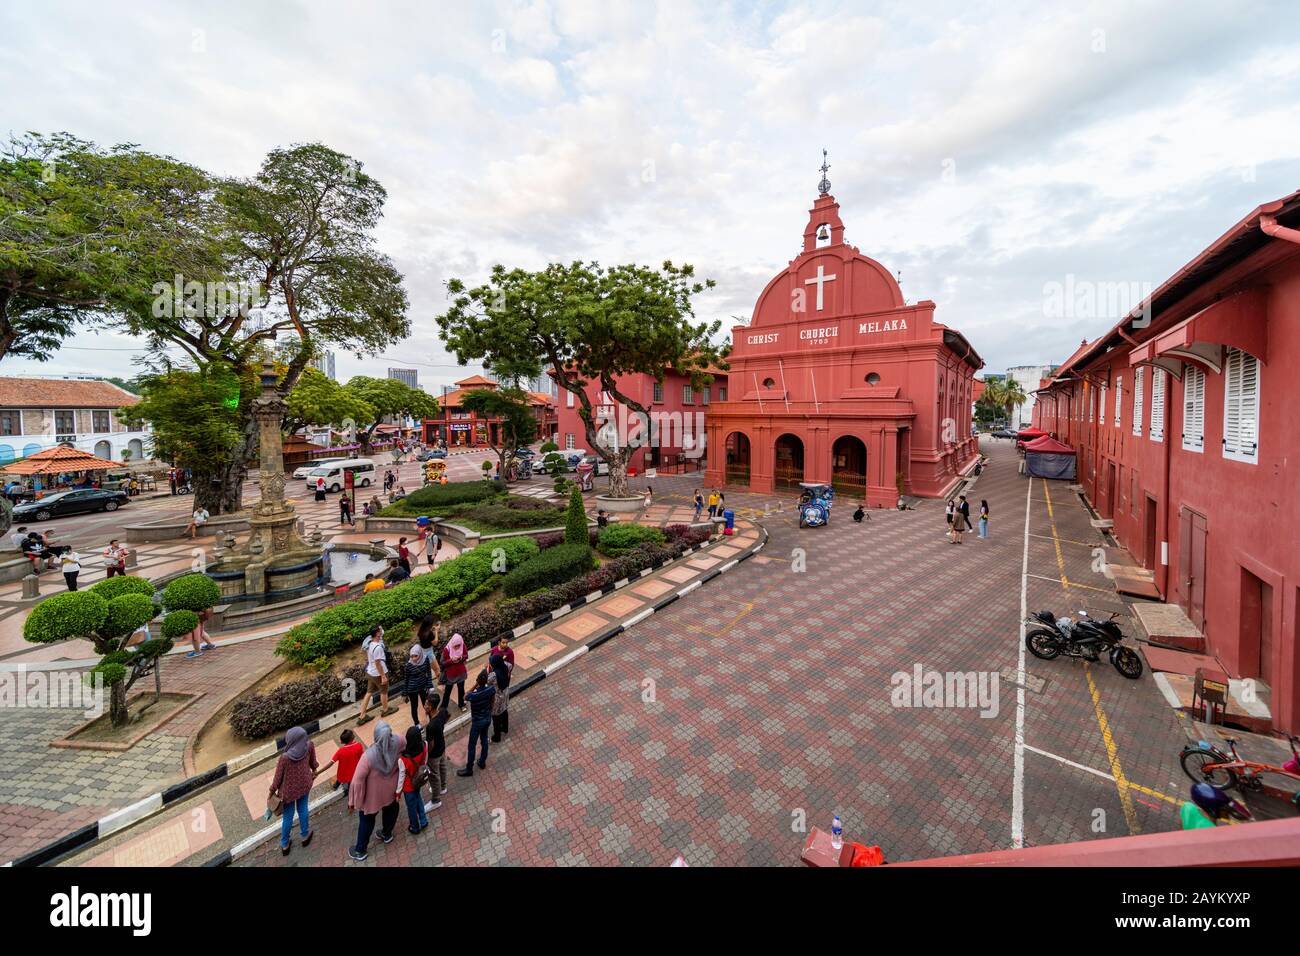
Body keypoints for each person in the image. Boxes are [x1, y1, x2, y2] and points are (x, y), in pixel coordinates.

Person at [347, 721, 402, 862]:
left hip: (373, 797)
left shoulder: (368, 757)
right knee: (392, 809)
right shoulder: (398, 741)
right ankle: (386, 834)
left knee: (367, 821)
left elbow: (357, 781)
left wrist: (354, 802)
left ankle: (360, 850)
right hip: (392, 790)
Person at [269, 726, 317, 856]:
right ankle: (305, 835)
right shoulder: (309, 745)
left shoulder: (285, 757)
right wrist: (314, 772)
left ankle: (285, 844)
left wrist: (271, 792)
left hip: (288, 793)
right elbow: (313, 763)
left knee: (288, 817)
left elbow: (277, 779)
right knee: (303, 810)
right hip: (305, 785)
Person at [456, 669, 496, 777]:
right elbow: (492, 703)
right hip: (487, 718)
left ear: (478, 680)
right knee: (484, 740)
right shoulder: (491, 689)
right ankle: (482, 762)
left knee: (472, 745)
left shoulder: (474, 695)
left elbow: (464, 696)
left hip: (477, 722)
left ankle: (469, 769)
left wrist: (475, 685)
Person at [357, 625, 396, 725]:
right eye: (380, 630)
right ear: (377, 634)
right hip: (378, 673)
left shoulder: (370, 643)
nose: (382, 631)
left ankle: (362, 716)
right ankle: (386, 709)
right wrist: (383, 676)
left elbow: (380, 633)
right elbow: (378, 663)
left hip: (370, 672)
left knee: (369, 692)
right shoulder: (378, 647)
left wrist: (380, 628)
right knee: (383, 691)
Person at [316, 728, 364, 807]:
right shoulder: (358, 746)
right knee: (350, 789)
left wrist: (318, 772)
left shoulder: (341, 751)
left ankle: (335, 786)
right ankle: (350, 804)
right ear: (352, 738)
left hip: (342, 773)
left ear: (342, 742)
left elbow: (330, 763)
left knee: (339, 779)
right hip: (353, 774)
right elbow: (362, 758)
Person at [396, 725, 429, 834]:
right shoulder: (424, 746)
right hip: (418, 781)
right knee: (418, 798)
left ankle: (415, 827)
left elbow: (401, 777)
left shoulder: (403, 758)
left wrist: (398, 793)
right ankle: (423, 821)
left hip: (408, 786)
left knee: (411, 807)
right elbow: (424, 762)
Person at [422, 696, 448, 810]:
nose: (424, 706)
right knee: (443, 767)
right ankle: (443, 788)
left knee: (434, 776)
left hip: (434, 754)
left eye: (426, 704)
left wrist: (427, 756)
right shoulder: (442, 712)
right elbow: (448, 715)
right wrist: (441, 728)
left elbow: (430, 744)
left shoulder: (431, 726)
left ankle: (436, 800)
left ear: (431, 707)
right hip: (442, 747)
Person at [488, 640, 513, 744]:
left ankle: (496, 736)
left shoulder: (493, 675)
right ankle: (505, 728)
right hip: (506, 692)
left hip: (497, 698)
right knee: (504, 711)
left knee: (496, 717)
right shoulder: (507, 665)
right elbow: (509, 664)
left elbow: (487, 681)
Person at [404, 642, 433, 725]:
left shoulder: (425, 659)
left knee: (426, 704)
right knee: (414, 707)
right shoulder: (408, 665)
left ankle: (431, 719)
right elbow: (406, 680)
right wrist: (405, 693)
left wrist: (429, 684)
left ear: (420, 654)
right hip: (412, 689)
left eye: (415, 656)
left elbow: (429, 671)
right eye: (411, 656)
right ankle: (417, 723)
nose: (413, 658)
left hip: (423, 687)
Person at [439, 632, 468, 712]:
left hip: (461, 672)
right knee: (448, 691)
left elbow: (466, 655)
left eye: (459, 645)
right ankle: (443, 707)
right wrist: (451, 660)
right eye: (456, 646)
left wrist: (461, 657)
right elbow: (442, 663)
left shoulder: (462, 645)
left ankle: (461, 704)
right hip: (450, 674)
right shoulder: (447, 649)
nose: (458, 647)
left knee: (461, 689)